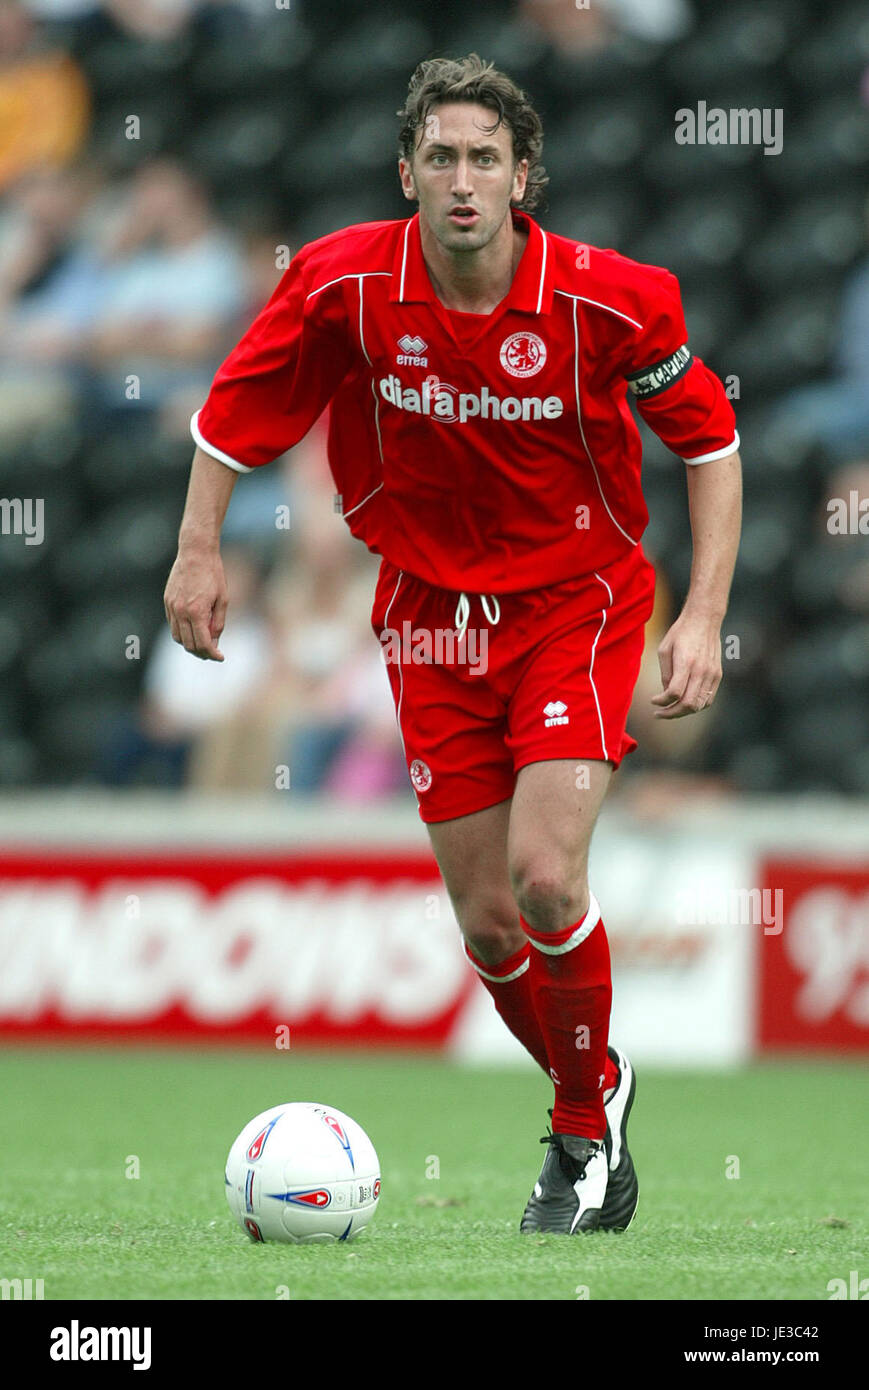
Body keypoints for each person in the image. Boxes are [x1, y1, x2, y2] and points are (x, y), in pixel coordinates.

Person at [164, 54, 742, 1235]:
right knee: (484, 919)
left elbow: (710, 444)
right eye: (441, 157)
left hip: (576, 607)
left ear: (524, 175)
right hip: (427, 611)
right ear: (406, 172)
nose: (463, 179)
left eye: (485, 157)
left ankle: (578, 1139)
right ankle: (596, 1090)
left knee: (542, 876)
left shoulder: (614, 298)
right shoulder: (343, 285)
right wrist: (197, 549)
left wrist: (700, 615)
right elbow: (235, 410)